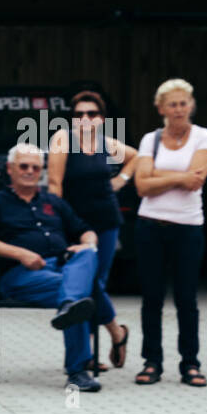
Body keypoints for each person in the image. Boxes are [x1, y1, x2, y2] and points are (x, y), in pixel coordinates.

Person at [0, 143, 102, 391]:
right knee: (81, 294)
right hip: (21, 276)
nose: (30, 171)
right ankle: (78, 371)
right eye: (24, 166)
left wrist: (88, 243)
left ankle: (68, 305)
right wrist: (20, 253)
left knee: (88, 256)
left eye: (35, 167)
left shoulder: (53, 201)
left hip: (62, 268)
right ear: (10, 169)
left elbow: (85, 230)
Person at [46, 90, 137, 371]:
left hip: (106, 222)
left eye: (92, 114)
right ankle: (115, 334)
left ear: (102, 118)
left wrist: (120, 180)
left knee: (97, 283)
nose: (85, 119)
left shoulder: (106, 144)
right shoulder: (62, 140)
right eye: (79, 114)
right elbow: (54, 185)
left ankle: (87, 355)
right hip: (76, 225)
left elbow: (137, 158)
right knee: (83, 286)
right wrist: (59, 224)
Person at [132, 78, 207, 387]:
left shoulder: (203, 137)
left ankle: (190, 363)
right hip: (150, 225)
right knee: (151, 297)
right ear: (161, 108)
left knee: (186, 298)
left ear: (191, 105)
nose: (178, 110)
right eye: (172, 104)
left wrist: (157, 174)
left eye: (183, 103)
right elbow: (141, 186)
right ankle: (151, 361)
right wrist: (179, 177)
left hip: (188, 227)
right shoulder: (149, 139)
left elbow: (197, 179)